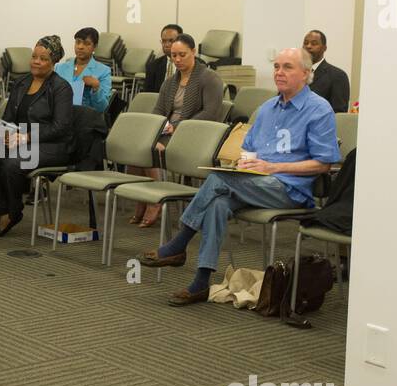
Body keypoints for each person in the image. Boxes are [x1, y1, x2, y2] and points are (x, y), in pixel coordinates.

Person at [139, 47, 339, 306]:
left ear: (306, 73)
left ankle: (179, 244)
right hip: (255, 183)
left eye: (287, 67)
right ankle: (201, 282)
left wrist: (273, 168)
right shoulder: (268, 108)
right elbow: (249, 148)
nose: (279, 72)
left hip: (290, 190)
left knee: (218, 180)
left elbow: (324, 164)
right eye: (277, 66)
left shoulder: (318, 109)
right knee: (218, 204)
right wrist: (244, 162)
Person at [0, 35, 74, 237]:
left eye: (43, 58)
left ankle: (13, 211)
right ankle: (0, 209)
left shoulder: (61, 88)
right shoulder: (21, 83)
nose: (36, 62)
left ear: (54, 62)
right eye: (34, 56)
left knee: (12, 162)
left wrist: (27, 137)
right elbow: (9, 116)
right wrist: (3, 131)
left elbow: (61, 127)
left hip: (52, 146)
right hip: (19, 139)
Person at [129, 32, 225, 227]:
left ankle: (155, 199)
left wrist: (178, 127)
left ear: (193, 52)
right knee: (137, 147)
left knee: (151, 148)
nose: (177, 59)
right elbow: (158, 110)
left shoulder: (209, 78)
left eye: (182, 54)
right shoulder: (170, 81)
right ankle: (142, 199)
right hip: (168, 131)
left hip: (196, 134)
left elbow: (211, 113)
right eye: (174, 56)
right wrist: (156, 128)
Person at [54, 26, 112, 112]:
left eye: (86, 43)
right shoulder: (59, 68)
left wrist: (96, 88)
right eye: (78, 42)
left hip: (85, 118)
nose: (80, 47)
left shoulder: (103, 71)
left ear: (95, 47)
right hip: (60, 114)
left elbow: (103, 108)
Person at [303, 29, 350, 112]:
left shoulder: (338, 76)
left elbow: (338, 113)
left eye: (314, 43)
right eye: (306, 43)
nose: (308, 46)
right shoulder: (295, 73)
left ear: (324, 48)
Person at [142, 23, 182, 94]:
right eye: (164, 41)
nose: (166, 45)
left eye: (171, 41)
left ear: (181, 41)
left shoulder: (193, 64)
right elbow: (148, 95)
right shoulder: (153, 66)